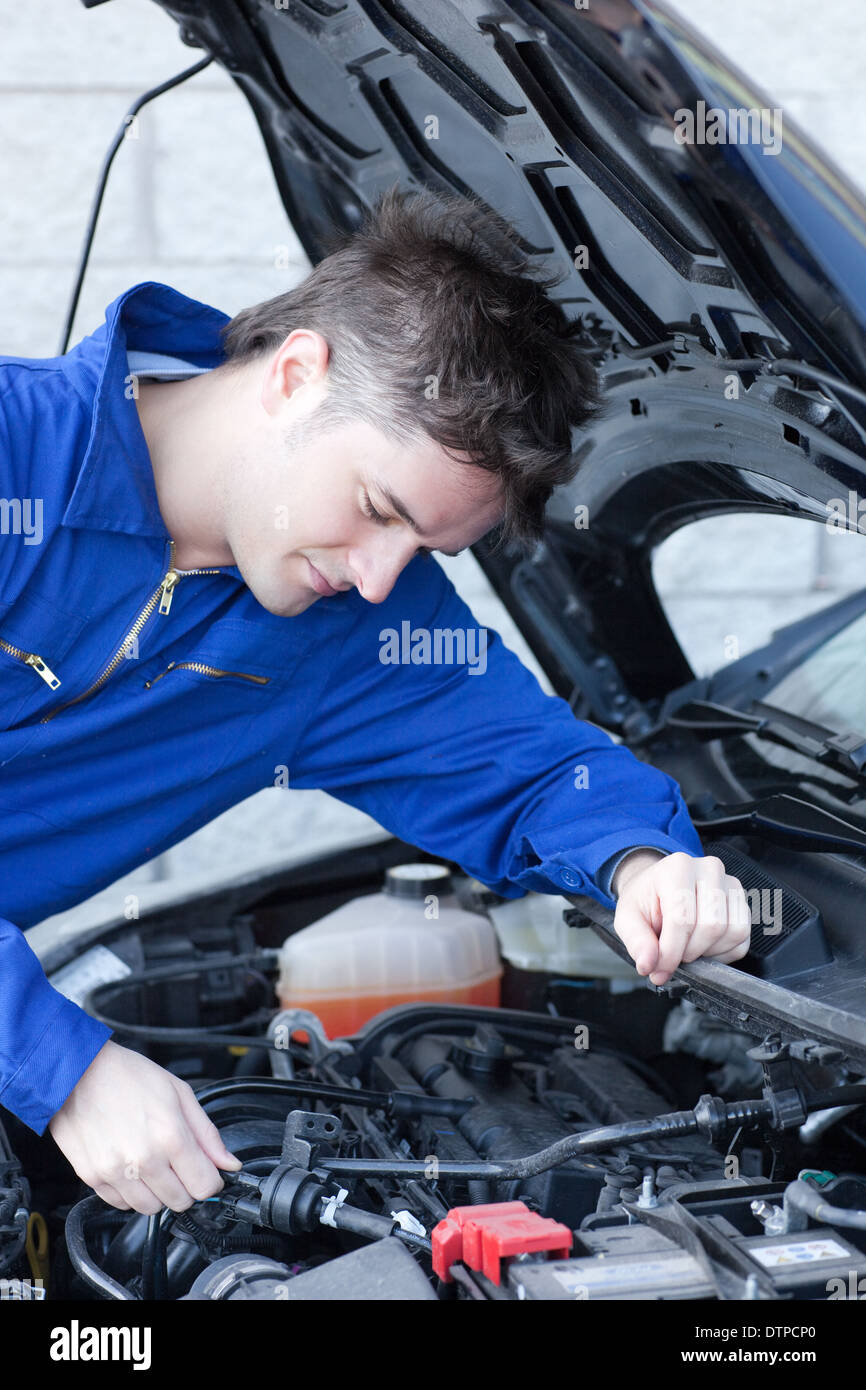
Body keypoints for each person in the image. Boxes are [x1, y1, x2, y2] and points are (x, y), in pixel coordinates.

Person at [0, 185, 750, 1216]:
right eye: (374, 509)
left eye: (427, 549)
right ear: (298, 374)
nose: (379, 577)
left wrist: (641, 860)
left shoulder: (345, 636)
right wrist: (63, 1065)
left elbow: (530, 769)